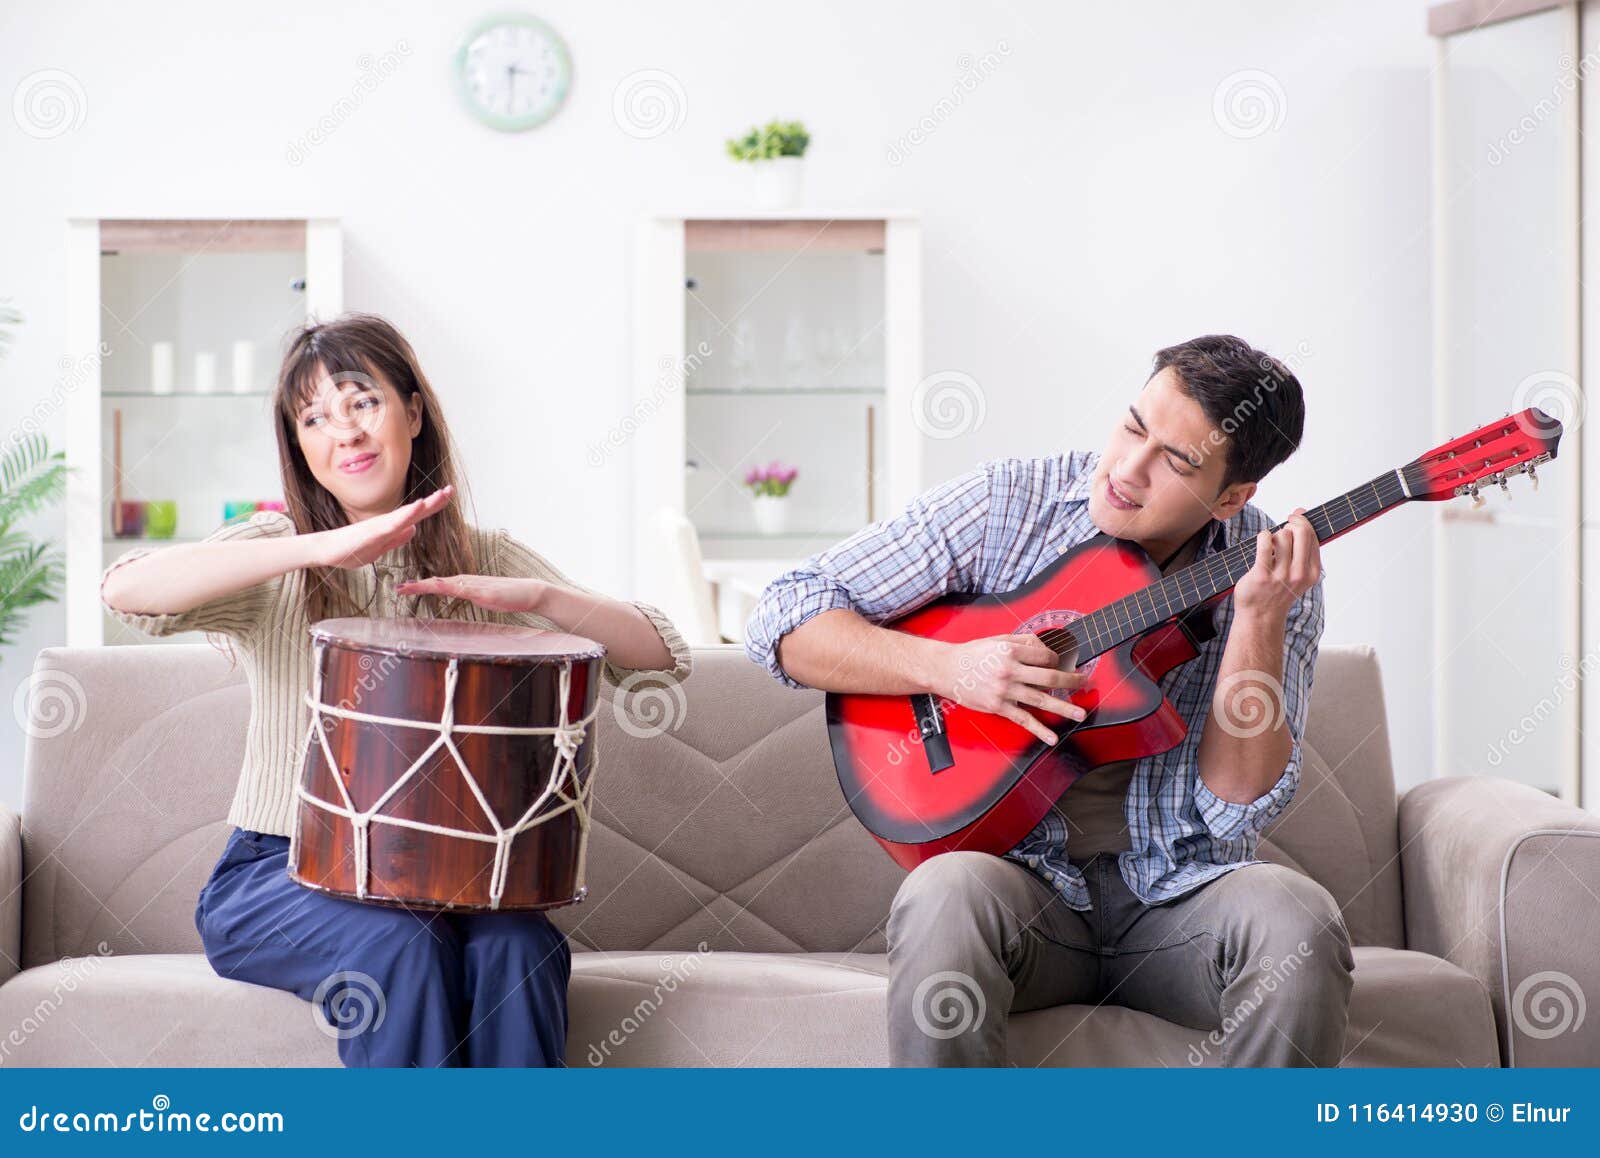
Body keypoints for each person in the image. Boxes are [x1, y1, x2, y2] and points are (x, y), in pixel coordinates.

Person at [100, 312, 692, 1067]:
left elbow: (660, 657)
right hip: (277, 875)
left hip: (450, 877)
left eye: (362, 401)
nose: (344, 430)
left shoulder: (484, 558)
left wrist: (544, 599)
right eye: (314, 418)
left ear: (412, 412)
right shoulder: (280, 554)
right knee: (402, 942)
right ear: (299, 447)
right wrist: (323, 546)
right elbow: (128, 593)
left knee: (520, 945)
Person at [744, 334, 1353, 1067]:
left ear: (1231, 497)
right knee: (944, 894)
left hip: (1180, 903)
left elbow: (1237, 807)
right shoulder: (1011, 502)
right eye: (1133, 427)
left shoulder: (1276, 577)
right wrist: (948, 668)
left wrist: (1257, 619)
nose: (1128, 470)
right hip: (1023, 893)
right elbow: (784, 613)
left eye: (1176, 461)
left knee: (1298, 919)